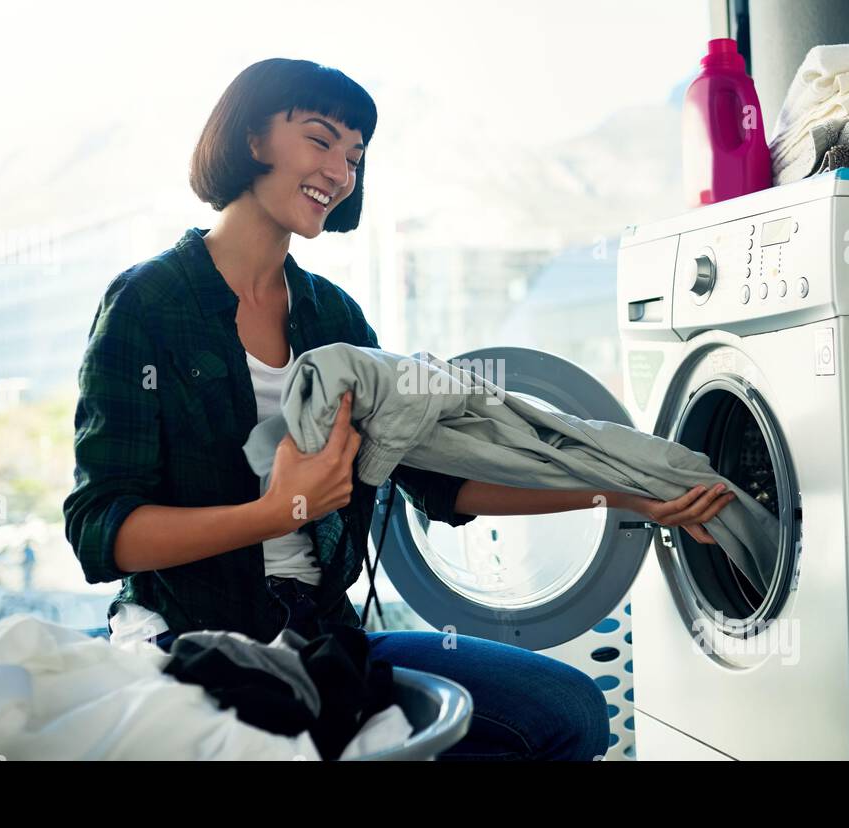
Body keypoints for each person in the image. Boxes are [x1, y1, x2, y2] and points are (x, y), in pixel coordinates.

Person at [63, 57, 735, 760]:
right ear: (253, 140)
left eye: (354, 156)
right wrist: (276, 511)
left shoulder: (333, 317)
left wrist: (621, 492)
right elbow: (100, 531)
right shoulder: (147, 304)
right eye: (321, 140)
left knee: (567, 712)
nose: (341, 170)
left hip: (322, 639)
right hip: (189, 639)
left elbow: (440, 478)